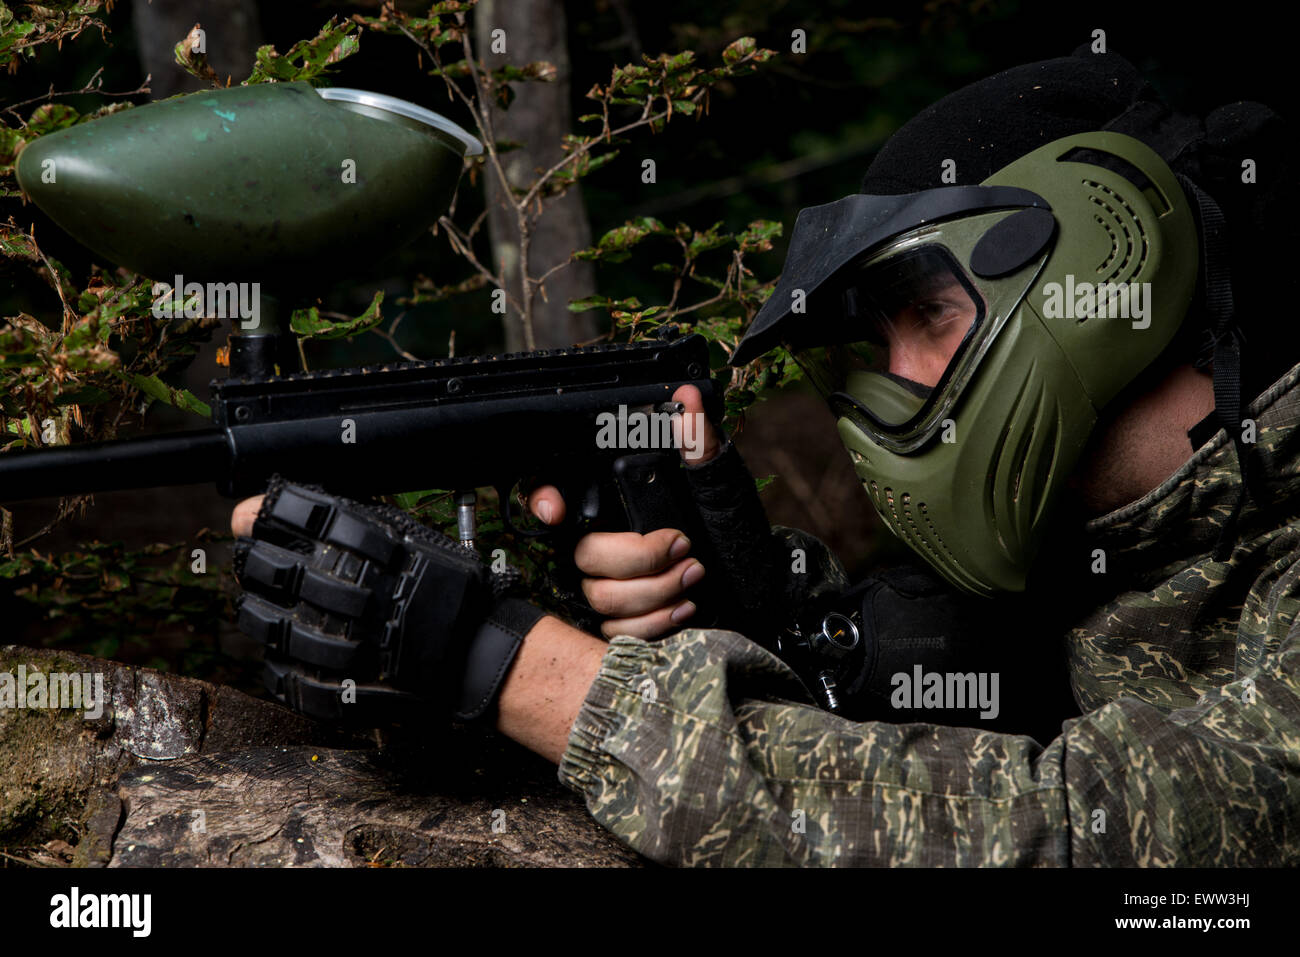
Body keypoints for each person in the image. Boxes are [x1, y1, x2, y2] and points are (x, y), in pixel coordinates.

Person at [229, 50, 1300, 865]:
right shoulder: (1112, 561)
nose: (893, 386)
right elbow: (969, 696)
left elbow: (1100, 825)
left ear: (1110, 254)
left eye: (922, 315)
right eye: (875, 346)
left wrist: (522, 672)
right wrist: (767, 626)